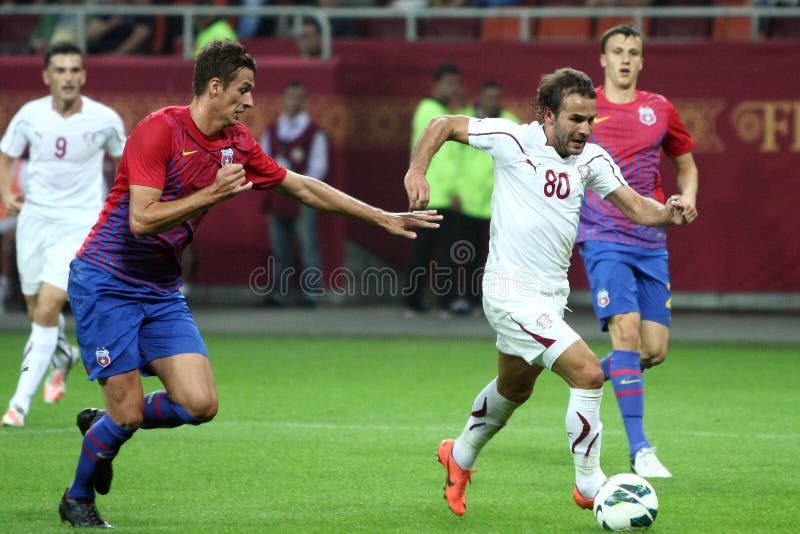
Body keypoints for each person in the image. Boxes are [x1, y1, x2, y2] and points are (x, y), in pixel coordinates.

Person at [57, 39, 440, 528]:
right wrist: (210, 194)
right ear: (215, 87)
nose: (251, 101)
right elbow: (141, 220)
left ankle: (102, 425)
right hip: (107, 281)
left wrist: (379, 216)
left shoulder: (236, 142)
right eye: (244, 89)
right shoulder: (158, 131)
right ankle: (77, 499)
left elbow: (300, 185)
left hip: (160, 289)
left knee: (200, 404)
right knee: (129, 413)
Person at [404, 67, 688, 517]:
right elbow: (442, 124)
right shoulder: (513, 139)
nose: (585, 129)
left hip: (550, 296)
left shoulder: (592, 160)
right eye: (575, 119)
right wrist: (417, 171)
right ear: (548, 115)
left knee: (514, 389)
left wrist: (670, 211)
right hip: (510, 291)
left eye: (590, 119)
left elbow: (637, 207)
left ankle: (458, 454)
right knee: (588, 374)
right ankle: (589, 483)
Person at [576, 24, 699, 479]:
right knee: (625, 334)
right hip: (603, 234)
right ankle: (640, 449)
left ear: (642, 61)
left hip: (651, 240)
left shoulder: (659, 108)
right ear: (602, 60)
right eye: (617, 51)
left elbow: (686, 165)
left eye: (633, 52)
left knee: (653, 351)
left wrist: (687, 198)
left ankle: (583, 373)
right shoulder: (586, 108)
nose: (625, 58)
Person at [0, 42, 127, 427]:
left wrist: (121, 208)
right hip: (35, 220)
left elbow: (127, 162)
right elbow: (6, 155)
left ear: (83, 76)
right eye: (60, 70)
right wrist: (6, 191)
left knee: (48, 308)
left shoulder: (104, 119)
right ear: (47, 76)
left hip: (79, 223)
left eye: (74, 70)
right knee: (35, 308)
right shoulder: (30, 115)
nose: (68, 77)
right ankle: (63, 355)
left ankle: (18, 405)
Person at [450, 80, 519, 315]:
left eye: (496, 97)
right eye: (489, 97)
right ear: (480, 98)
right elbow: (452, 158)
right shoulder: (465, 121)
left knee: (497, 256)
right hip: (468, 199)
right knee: (466, 252)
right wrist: (454, 190)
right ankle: (465, 298)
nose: (492, 102)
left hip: (498, 202)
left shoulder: (510, 122)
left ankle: (494, 301)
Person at [261, 81, 329, 307]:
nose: (294, 102)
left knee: (308, 245)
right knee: (279, 248)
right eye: (290, 96)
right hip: (277, 194)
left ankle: (312, 293)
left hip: (302, 196)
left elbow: (319, 168)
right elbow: (261, 160)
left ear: (304, 100)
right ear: (285, 99)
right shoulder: (273, 129)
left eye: (298, 97)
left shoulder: (314, 132)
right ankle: (280, 294)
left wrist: (297, 186)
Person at [404, 61, 465, 313]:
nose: (453, 88)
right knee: (442, 252)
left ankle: (414, 300)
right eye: (449, 83)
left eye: (455, 83)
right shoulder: (432, 113)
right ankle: (443, 301)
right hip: (437, 193)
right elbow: (442, 160)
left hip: (430, 193)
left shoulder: (433, 110)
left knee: (426, 250)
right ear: (436, 84)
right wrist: (452, 191)